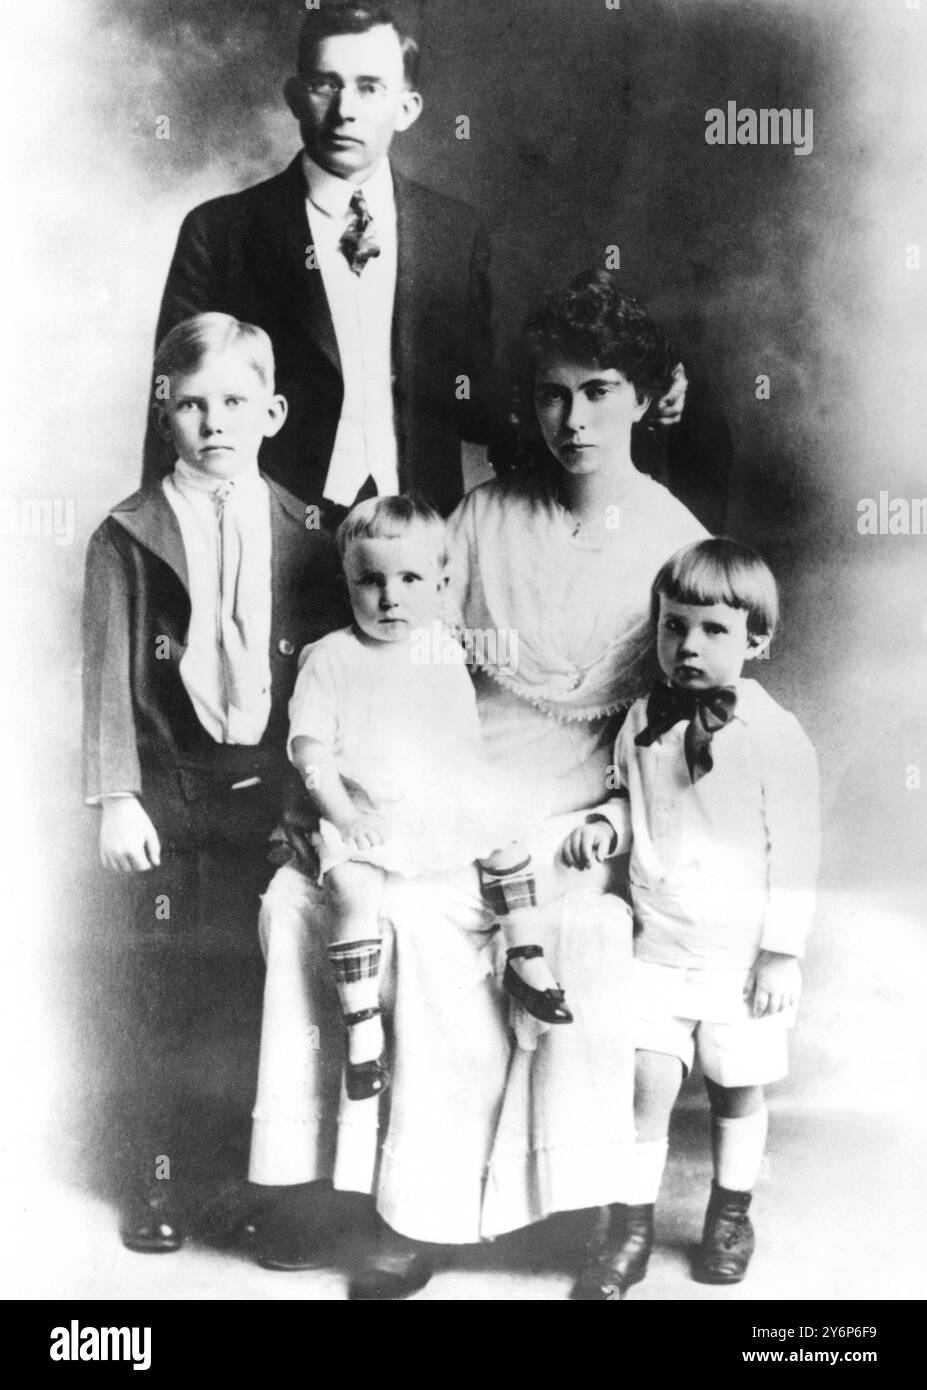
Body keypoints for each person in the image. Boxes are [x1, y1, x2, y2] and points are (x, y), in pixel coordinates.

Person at [246, 272, 713, 1295]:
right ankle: (350, 1187)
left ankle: (456, 1203)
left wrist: (618, 818)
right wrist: (325, 796)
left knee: (478, 918)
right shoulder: (483, 514)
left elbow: (680, 723)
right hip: (443, 780)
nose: (574, 417)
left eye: (599, 391)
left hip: (578, 804)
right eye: (553, 393)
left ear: (642, 395)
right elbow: (394, 653)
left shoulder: (677, 541)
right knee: (325, 897)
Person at [82, 312, 346, 1252]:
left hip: (270, 789)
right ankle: (158, 1177)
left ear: (271, 411)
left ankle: (255, 1181)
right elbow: (107, 674)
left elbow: (340, 671)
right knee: (168, 985)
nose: (214, 422)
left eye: (234, 401)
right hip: (169, 787)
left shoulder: (314, 530)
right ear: (166, 416)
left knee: (263, 989)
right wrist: (117, 794)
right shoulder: (129, 532)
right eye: (191, 405)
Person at [561, 539, 821, 1298]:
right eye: (674, 627)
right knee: (642, 1080)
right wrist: (609, 824)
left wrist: (780, 952)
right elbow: (628, 794)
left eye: (712, 630)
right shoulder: (644, 718)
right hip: (660, 946)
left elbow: (796, 847)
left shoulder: (773, 736)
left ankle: (729, 1213)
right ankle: (630, 1226)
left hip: (739, 958)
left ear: (756, 642)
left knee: (737, 1086)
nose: (688, 647)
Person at [142, 1, 495, 518]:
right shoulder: (221, 232)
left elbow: (483, 397)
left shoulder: (455, 233)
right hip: (267, 530)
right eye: (326, 84)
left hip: (420, 534)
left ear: (407, 108)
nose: (345, 108)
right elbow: (174, 403)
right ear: (294, 97)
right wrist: (162, 540)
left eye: (370, 87)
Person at [290, 495, 571, 1102]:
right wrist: (343, 815)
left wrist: (469, 795)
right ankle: (363, 1030)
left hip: (435, 798)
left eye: (410, 579)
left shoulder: (440, 647)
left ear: (441, 585)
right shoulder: (331, 657)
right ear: (347, 584)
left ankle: (525, 954)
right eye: (370, 580)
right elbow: (309, 754)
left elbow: (458, 738)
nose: (390, 597)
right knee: (353, 890)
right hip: (365, 807)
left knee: (504, 834)